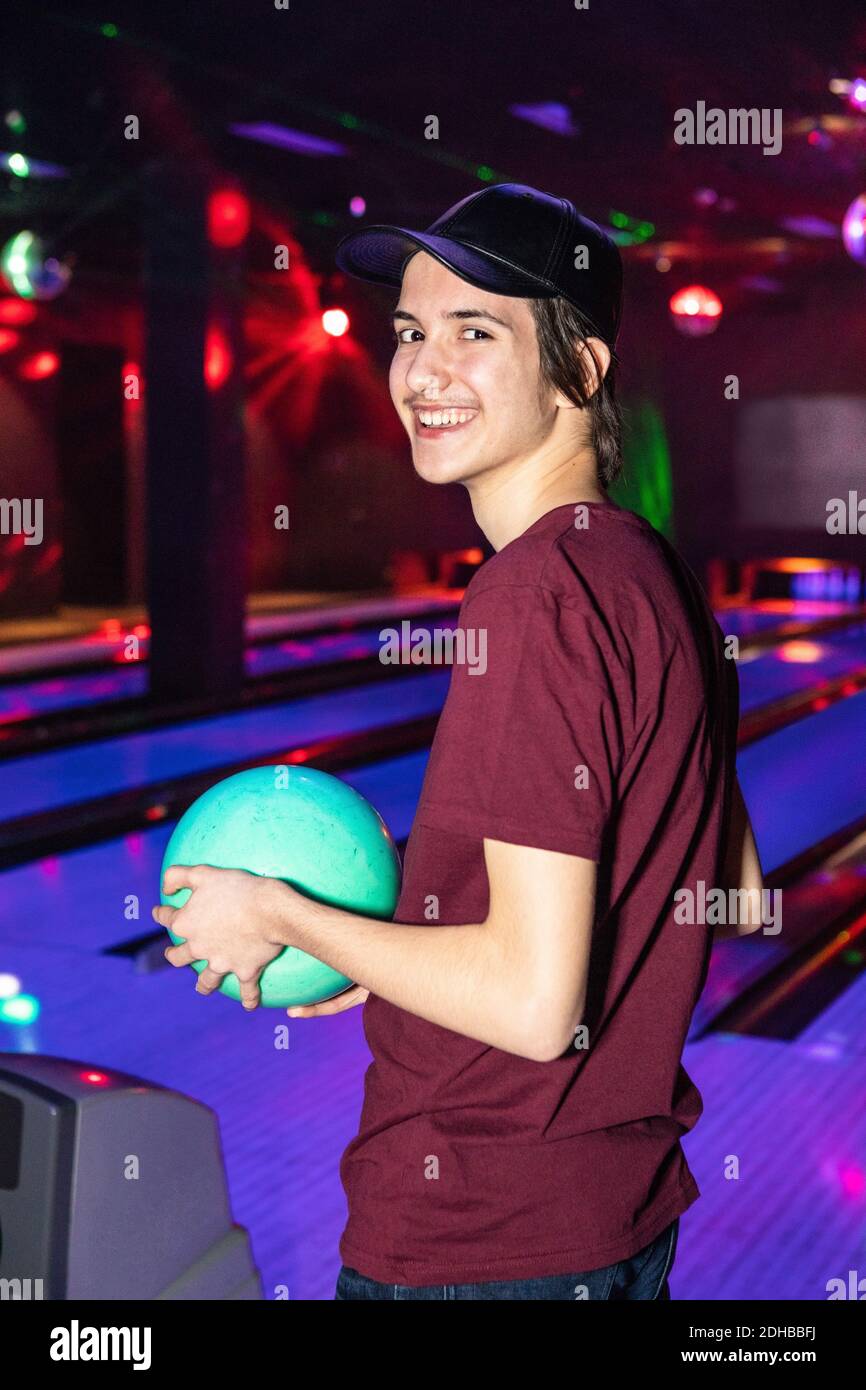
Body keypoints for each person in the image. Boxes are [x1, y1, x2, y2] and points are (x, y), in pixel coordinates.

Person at [154, 183, 764, 1301]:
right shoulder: (646, 571)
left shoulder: (533, 595)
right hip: (608, 1223)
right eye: (409, 333)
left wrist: (282, 913)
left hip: (478, 1241)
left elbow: (532, 1003)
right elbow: (732, 887)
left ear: (579, 371)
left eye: (475, 332)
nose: (421, 372)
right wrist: (378, 939)